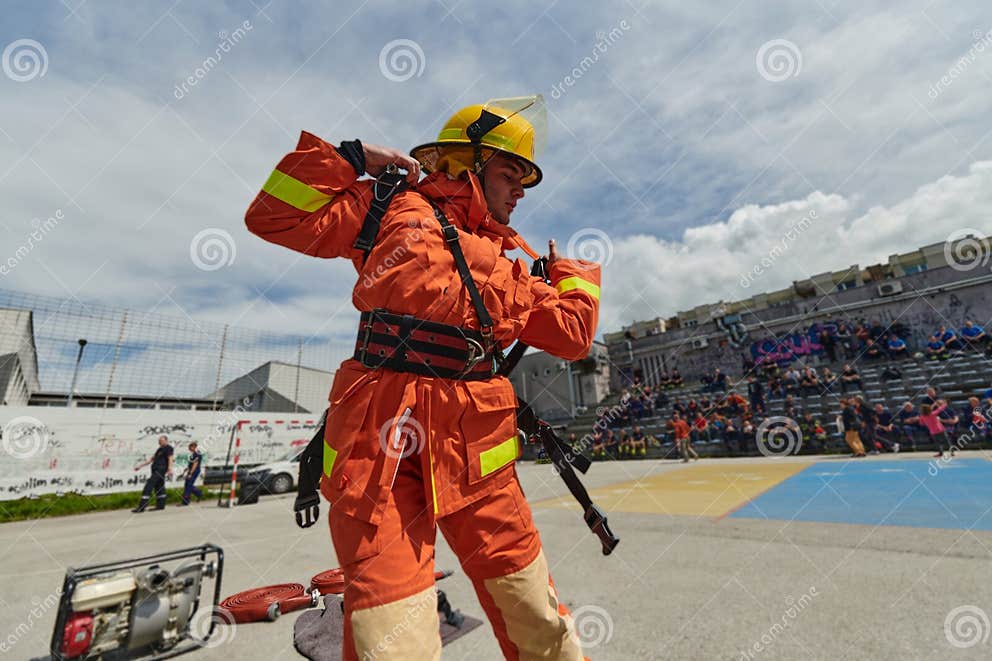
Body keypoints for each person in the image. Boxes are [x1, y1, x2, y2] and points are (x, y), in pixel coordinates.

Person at [245, 96, 598, 659]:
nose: (523, 191)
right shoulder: (388, 205)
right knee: (391, 642)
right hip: (377, 460)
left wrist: (569, 273)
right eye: (513, 173)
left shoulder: (508, 264)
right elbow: (273, 217)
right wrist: (353, 157)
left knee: (537, 621)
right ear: (469, 162)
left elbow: (574, 333)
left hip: (480, 457)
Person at [132, 436, 174, 512]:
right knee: (159, 486)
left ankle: (142, 507)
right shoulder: (159, 449)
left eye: (161, 441)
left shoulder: (168, 448)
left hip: (160, 470)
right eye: (159, 441)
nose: (159, 442)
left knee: (149, 485)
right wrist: (140, 466)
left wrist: (170, 469)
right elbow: (151, 459)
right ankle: (160, 505)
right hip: (155, 470)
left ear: (166, 441)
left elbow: (170, 458)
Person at [180, 441, 203, 506]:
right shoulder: (193, 454)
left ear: (194, 447)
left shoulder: (196, 454)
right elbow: (191, 463)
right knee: (188, 484)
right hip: (192, 470)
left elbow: (195, 464)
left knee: (188, 485)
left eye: (190, 447)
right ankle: (199, 493)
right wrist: (187, 469)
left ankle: (185, 501)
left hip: (194, 471)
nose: (188, 448)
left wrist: (190, 473)